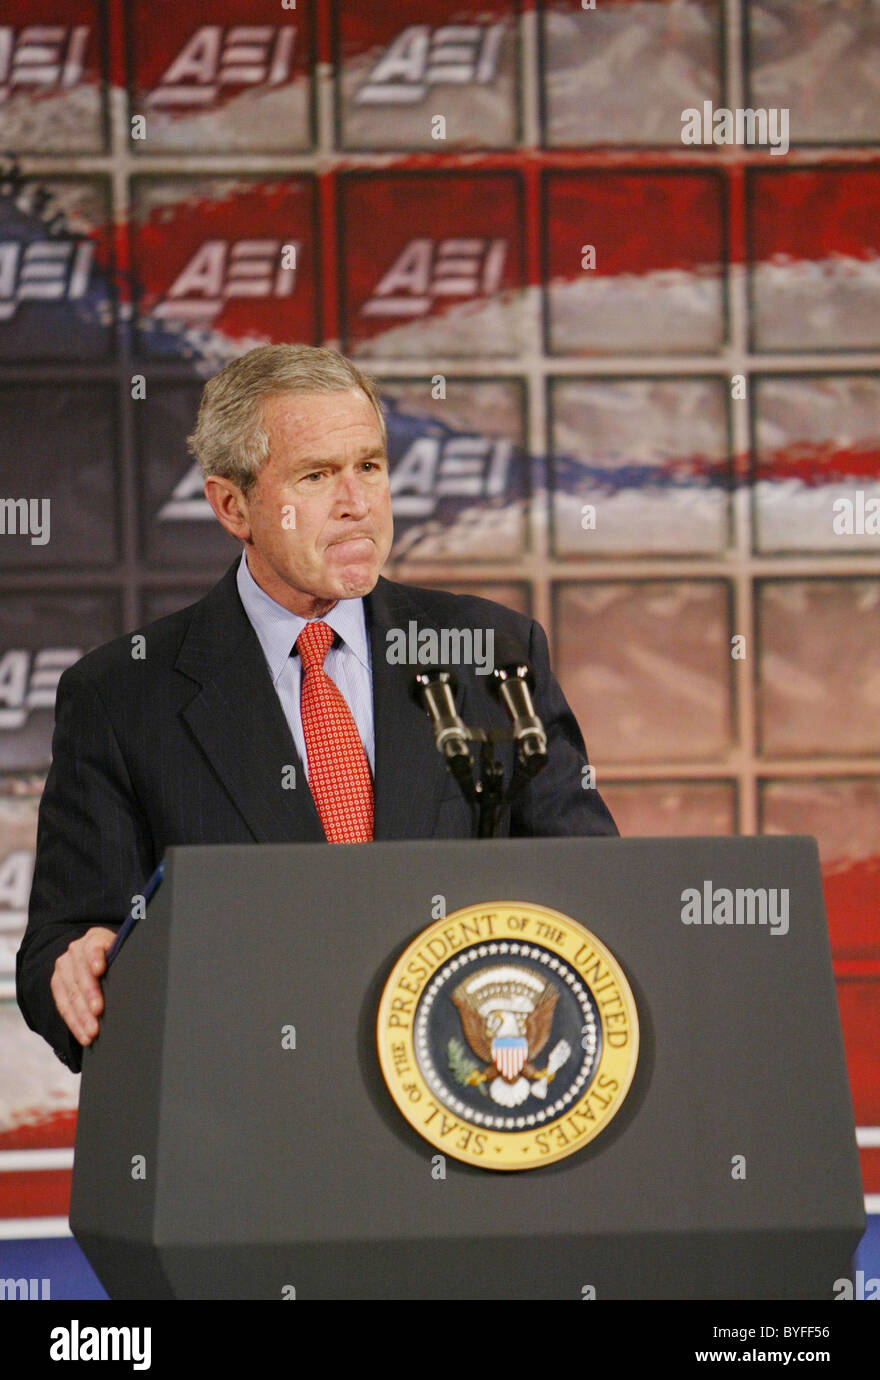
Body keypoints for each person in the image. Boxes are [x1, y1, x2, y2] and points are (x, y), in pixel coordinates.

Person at [16, 344, 617, 1073]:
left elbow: (589, 893)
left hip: (461, 1096)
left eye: (369, 466)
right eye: (316, 475)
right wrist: (80, 968)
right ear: (232, 505)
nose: (357, 502)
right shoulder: (122, 696)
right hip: (246, 1117)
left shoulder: (487, 653)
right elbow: (64, 944)